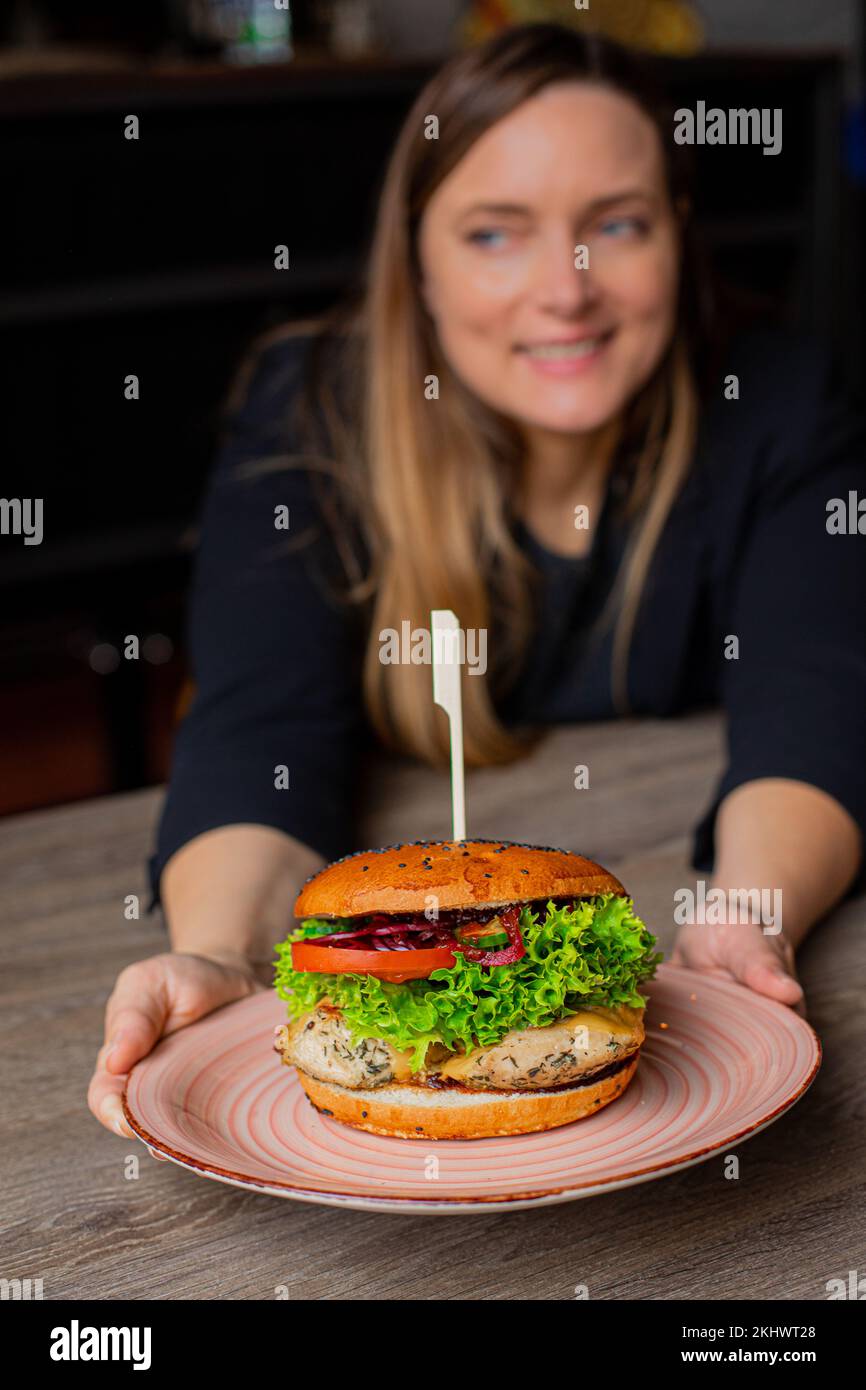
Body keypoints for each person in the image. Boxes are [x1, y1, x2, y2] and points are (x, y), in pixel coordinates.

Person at [90, 24, 865, 1137]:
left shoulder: (780, 401)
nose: (566, 289)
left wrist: (744, 916)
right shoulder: (312, 410)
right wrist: (214, 948)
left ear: (678, 235)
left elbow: (816, 703)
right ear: (418, 258)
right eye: (496, 233)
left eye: (616, 224)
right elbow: (262, 726)